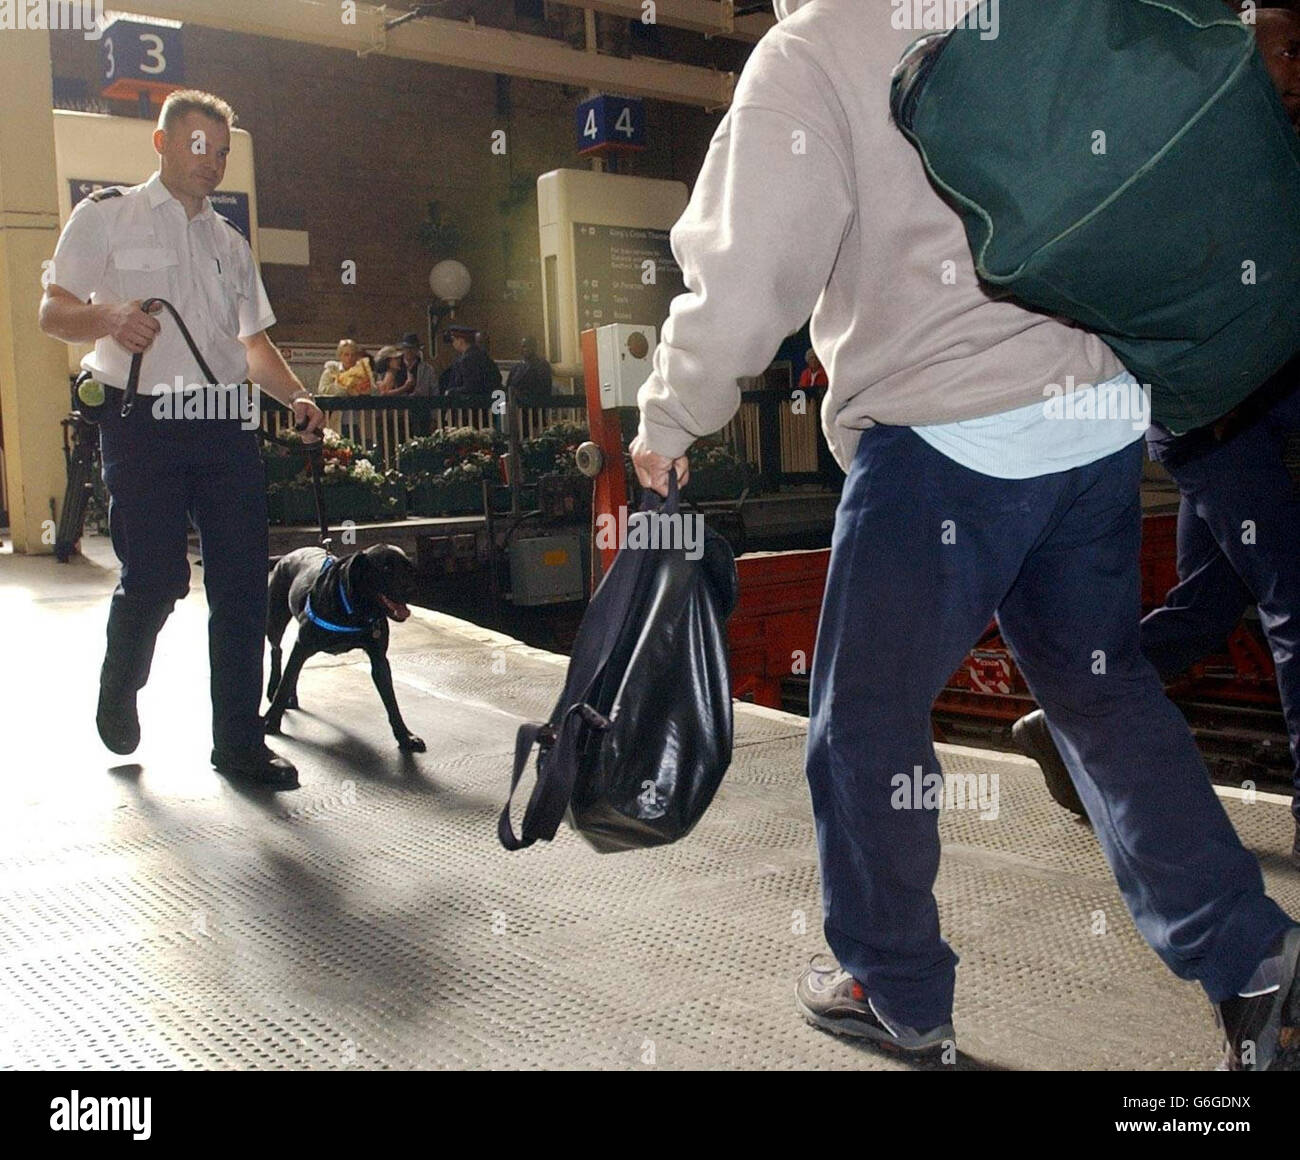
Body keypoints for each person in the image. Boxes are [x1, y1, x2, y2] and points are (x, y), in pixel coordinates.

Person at [628, 0, 1299, 1069]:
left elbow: (747, 274)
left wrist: (670, 415)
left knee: (864, 720)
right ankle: (1254, 960)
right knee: (1104, 696)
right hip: (1091, 424)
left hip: (942, 438)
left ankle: (892, 986)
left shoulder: (811, 50)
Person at [1014, 3, 1300, 863]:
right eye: (1289, 52)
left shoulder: (1276, 145)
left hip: (1245, 407)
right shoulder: (1205, 145)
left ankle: (1059, 714)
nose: (1299, 71)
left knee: (1211, 602)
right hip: (1215, 414)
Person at [39, 88, 325, 790]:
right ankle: (120, 679)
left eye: (223, 151)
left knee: (238, 587)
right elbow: (53, 311)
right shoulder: (107, 216)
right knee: (159, 580)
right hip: (143, 427)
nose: (213, 161)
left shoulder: (229, 244)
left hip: (226, 427)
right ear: (163, 144)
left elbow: (251, 346)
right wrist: (108, 317)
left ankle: (238, 745)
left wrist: (297, 395)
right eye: (201, 145)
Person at [439, 326, 501, 398]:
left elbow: (470, 387)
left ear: (461, 341)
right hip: (490, 403)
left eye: (454, 340)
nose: (453, 343)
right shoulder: (484, 357)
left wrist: (450, 392)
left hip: (471, 405)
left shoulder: (466, 360)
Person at [505, 336, 553, 406]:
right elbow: (509, 386)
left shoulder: (542, 365)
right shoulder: (516, 367)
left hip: (534, 408)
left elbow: (544, 389)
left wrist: (521, 394)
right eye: (522, 346)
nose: (524, 349)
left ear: (534, 347)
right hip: (516, 408)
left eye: (527, 346)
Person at [400, 332, 438, 397]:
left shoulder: (428, 370)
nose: (409, 351)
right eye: (406, 348)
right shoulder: (395, 368)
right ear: (403, 349)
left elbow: (435, 392)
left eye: (412, 348)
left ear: (417, 349)